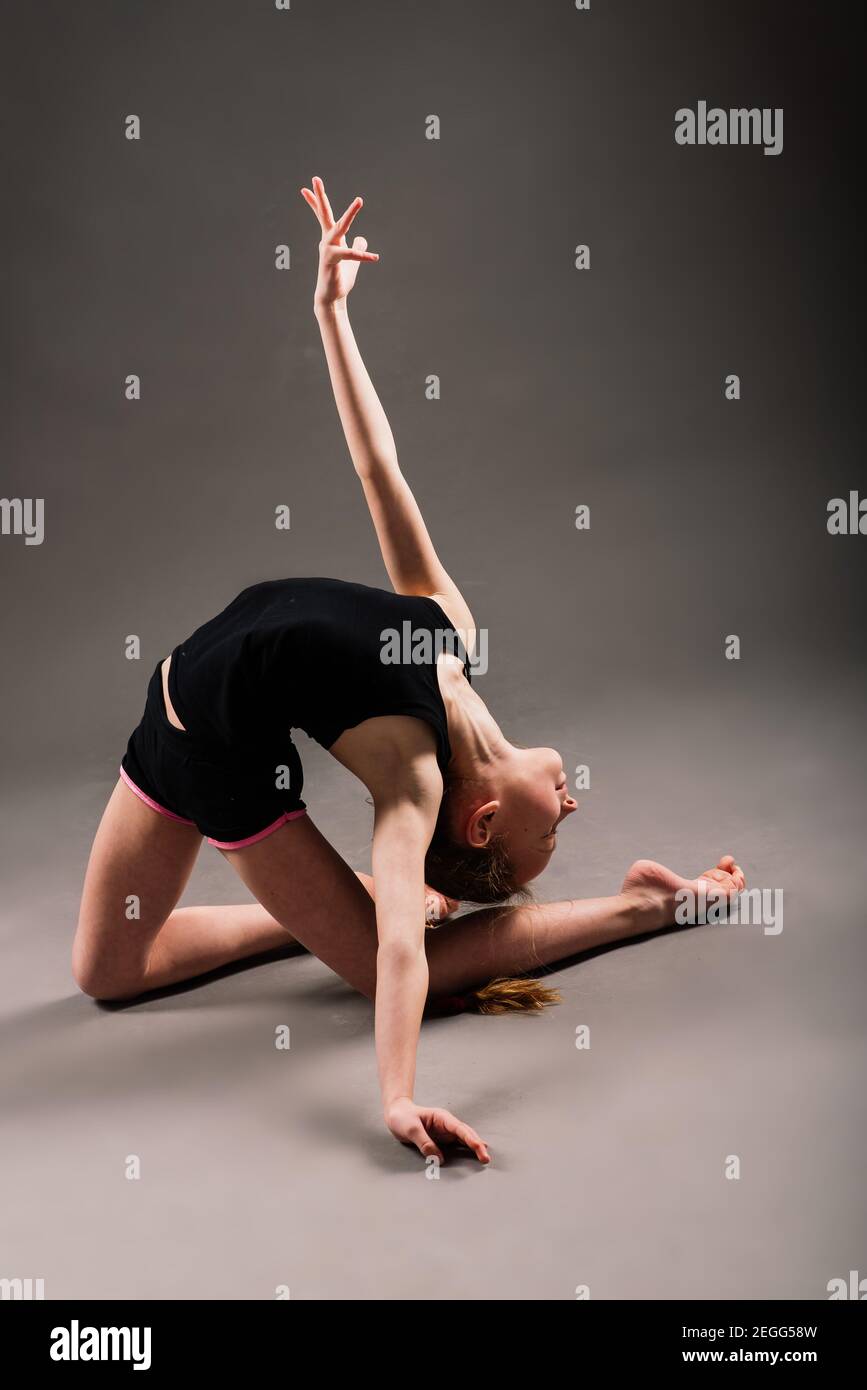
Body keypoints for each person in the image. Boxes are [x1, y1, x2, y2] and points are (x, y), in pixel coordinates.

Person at [72, 177, 745, 1166]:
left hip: (221, 764)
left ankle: (646, 905)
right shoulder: (448, 632)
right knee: (108, 973)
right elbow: (381, 470)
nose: (572, 811)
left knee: (404, 957)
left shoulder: (415, 780)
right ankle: (318, 905)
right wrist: (331, 314)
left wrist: (398, 1096)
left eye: (546, 838)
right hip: (166, 704)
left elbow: (397, 951)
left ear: (481, 823)